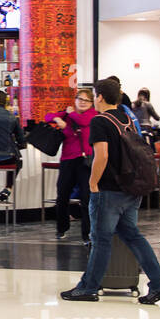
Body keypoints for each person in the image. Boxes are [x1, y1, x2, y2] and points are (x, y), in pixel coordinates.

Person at [60, 77, 160, 304]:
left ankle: (88, 287)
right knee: (132, 235)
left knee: (101, 239)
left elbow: (101, 156)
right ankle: (159, 284)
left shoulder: (100, 122)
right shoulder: (127, 118)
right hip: (130, 188)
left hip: (109, 190)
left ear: (100, 97)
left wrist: (93, 183)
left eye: (94, 95)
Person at [49, 88, 96, 243]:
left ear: (91, 103)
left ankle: (87, 234)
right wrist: (58, 120)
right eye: (79, 98)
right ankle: (61, 228)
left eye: (86, 100)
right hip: (68, 159)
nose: (82, 102)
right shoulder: (68, 114)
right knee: (62, 195)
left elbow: (82, 122)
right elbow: (48, 116)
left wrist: (66, 122)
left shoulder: (92, 115)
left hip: (85, 161)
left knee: (86, 198)